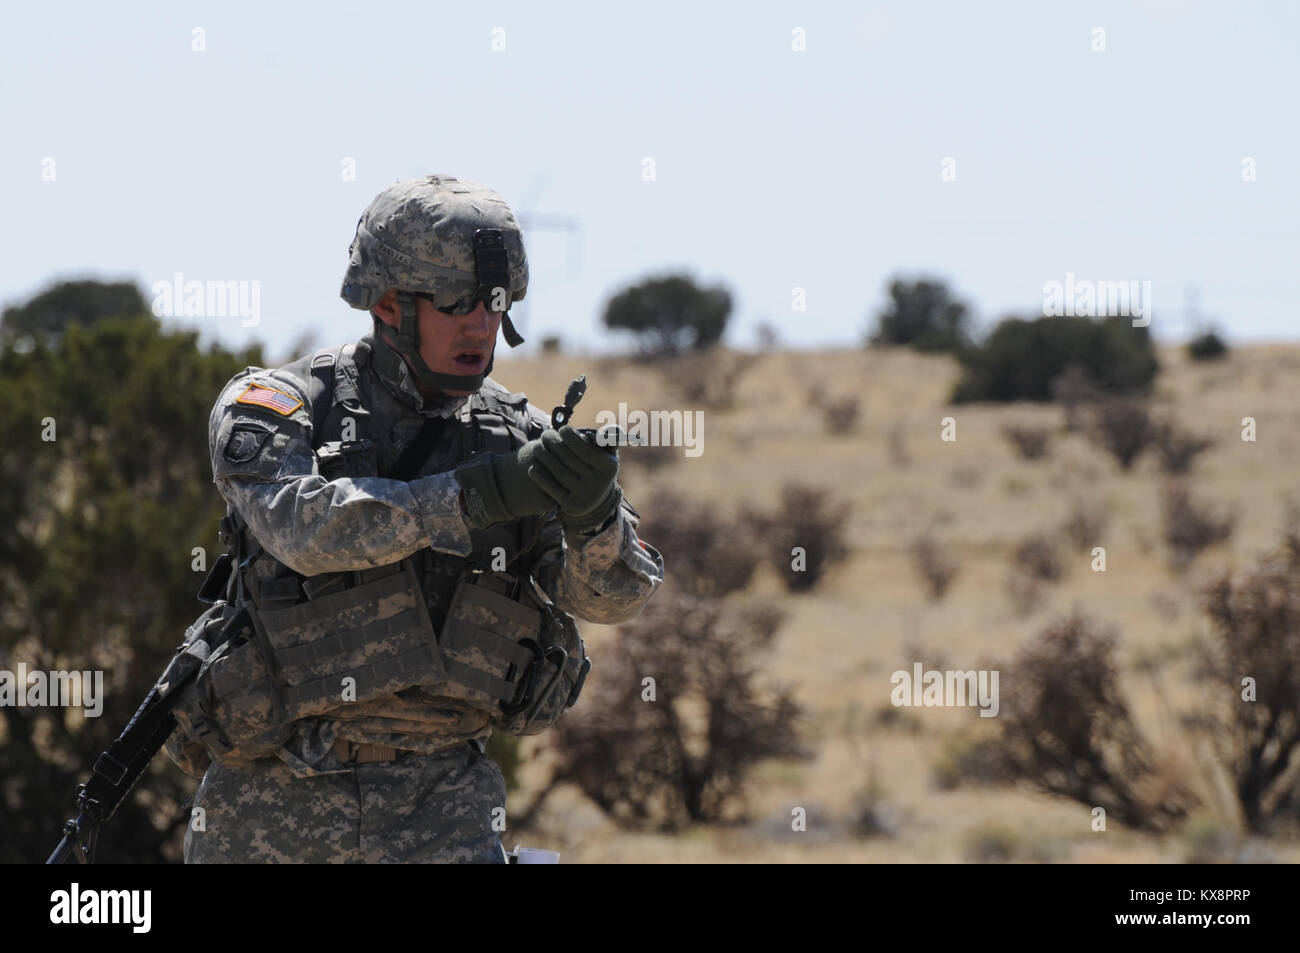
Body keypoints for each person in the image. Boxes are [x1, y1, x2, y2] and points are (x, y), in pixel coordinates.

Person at [165, 174, 665, 863]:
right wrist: (474, 497)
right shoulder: (278, 406)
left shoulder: (517, 436)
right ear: (390, 302)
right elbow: (303, 529)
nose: (481, 325)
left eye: (496, 303)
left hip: (444, 807)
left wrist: (594, 518)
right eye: (456, 303)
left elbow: (613, 597)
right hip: (271, 805)